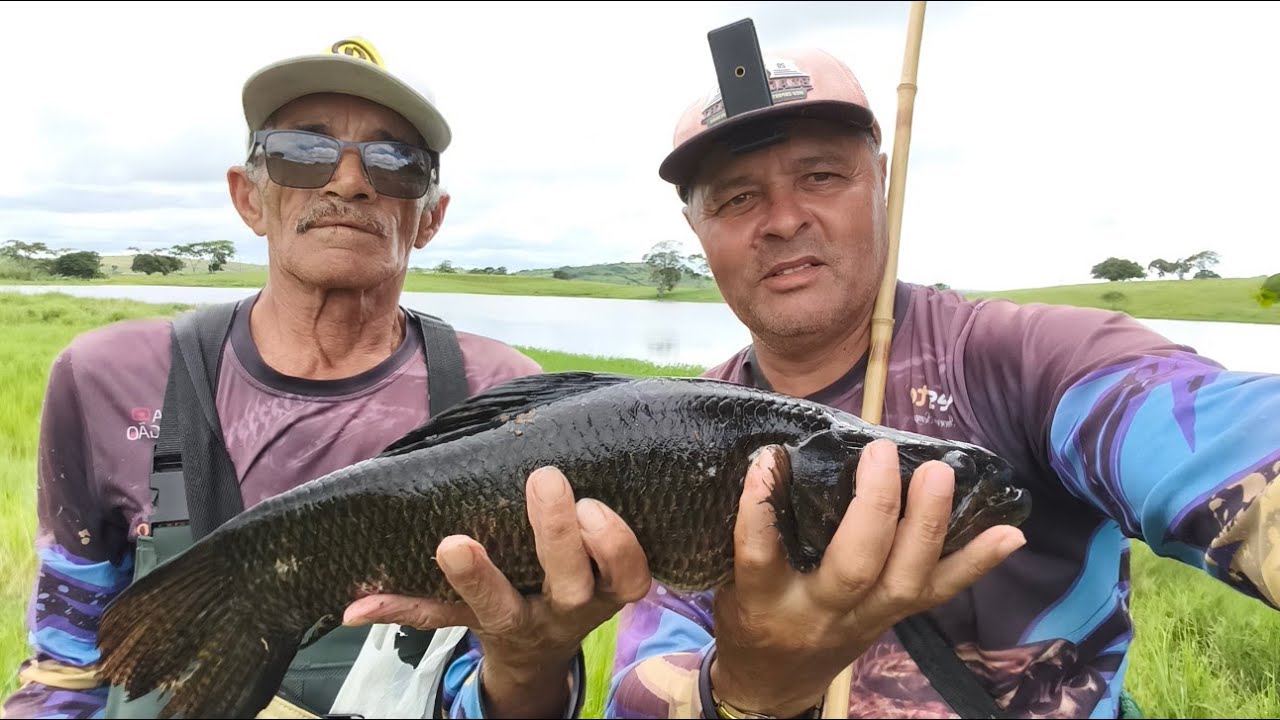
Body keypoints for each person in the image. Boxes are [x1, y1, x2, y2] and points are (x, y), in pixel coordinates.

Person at [352, 44, 1280, 719]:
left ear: (882, 182)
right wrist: (751, 688)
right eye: (738, 197)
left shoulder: (1031, 360)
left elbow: (1220, 442)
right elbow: (643, 694)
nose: (783, 218)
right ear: (699, 232)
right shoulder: (671, 440)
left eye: (822, 175)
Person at [1, 37, 544, 720]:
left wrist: (532, 662)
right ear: (248, 197)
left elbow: (499, 677)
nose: (348, 182)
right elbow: (67, 668)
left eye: (396, 162)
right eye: (303, 152)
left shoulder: (500, 393)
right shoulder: (108, 378)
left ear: (430, 217)